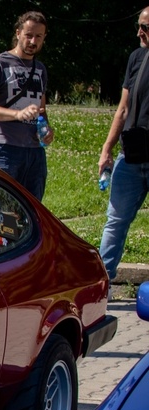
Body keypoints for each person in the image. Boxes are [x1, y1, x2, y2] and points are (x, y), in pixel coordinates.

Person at [0, 10, 52, 201]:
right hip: (4, 149)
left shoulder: (41, 69)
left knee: (33, 213)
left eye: (38, 37)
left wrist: (46, 130)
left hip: (34, 152)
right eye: (28, 35)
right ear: (18, 33)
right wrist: (17, 114)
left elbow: (41, 110)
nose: (33, 42)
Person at [98, 6, 149, 283]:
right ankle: (103, 282)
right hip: (130, 155)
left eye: (146, 28)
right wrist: (107, 149)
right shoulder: (136, 58)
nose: (140, 32)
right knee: (115, 222)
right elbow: (122, 108)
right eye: (139, 26)